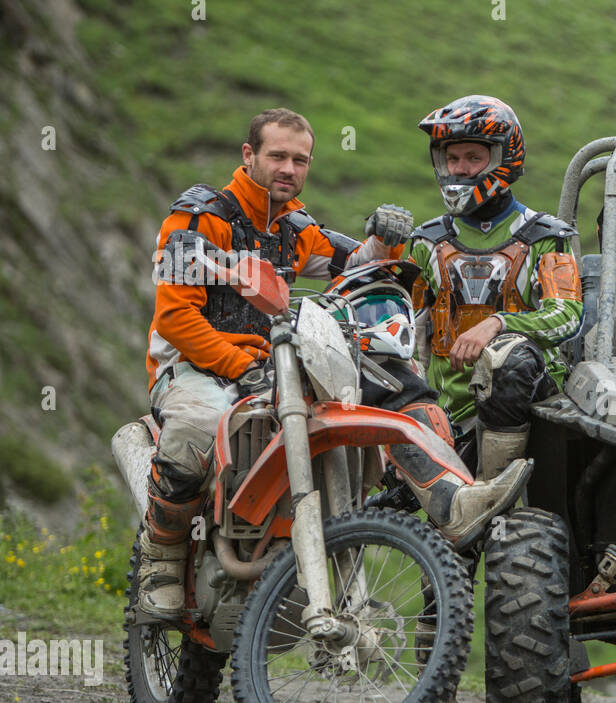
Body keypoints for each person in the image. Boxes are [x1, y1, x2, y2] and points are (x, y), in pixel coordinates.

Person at [138, 107, 530, 629]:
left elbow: (359, 268)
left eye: (300, 160)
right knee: (193, 431)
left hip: (273, 362)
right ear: (248, 155)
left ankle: (448, 501)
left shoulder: (296, 227)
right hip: (194, 367)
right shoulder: (196, 217)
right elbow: (175, 317)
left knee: (383, 387)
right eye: (277, 156)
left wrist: (385, 237)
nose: (289, 169)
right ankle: (159, 557)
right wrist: (238, 364)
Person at [409, 95, 583, 481]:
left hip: (534, 403)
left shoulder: (544, 236)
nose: (461, 169)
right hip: (447, 407)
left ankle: (492, 491)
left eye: (473, 157)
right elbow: (405, 322)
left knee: (510, 359)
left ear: (504, 157)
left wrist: (499, 325)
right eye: (452, 158)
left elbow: (568, 315)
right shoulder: (426, 242)